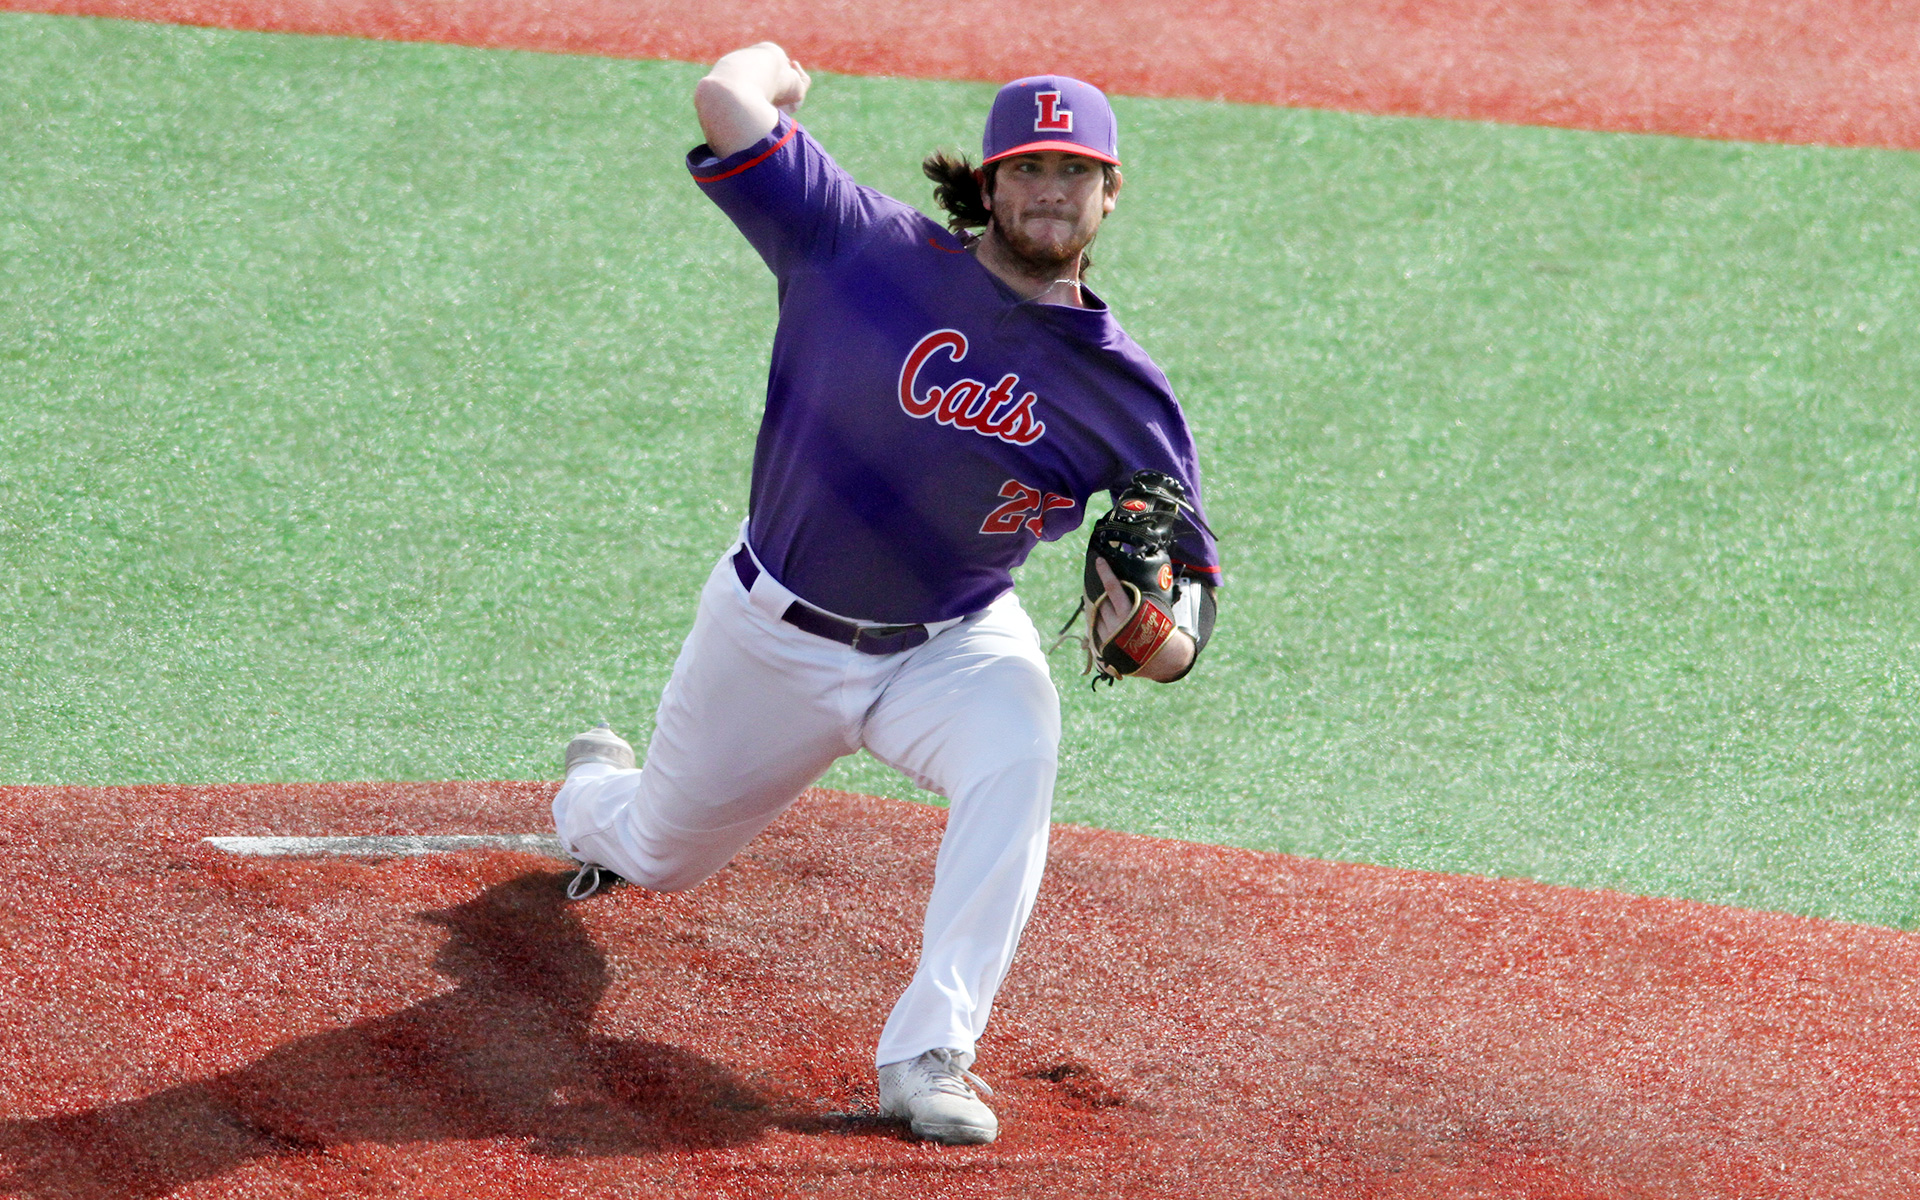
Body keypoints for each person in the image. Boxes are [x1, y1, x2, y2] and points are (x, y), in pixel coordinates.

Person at [551, 43, 1221, 1146]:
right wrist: (785, 72)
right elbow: (725, 98)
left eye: (1075, 172)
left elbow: (1184, 613)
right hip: (774, 631)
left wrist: (1152, 633)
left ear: (1110, 192)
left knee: (1020, 746)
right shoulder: (855, 245)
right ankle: (591, 796)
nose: (1051, 190)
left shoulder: (1123, 391)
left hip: (950, 643)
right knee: (661, 851)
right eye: (1029, 168)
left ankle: (929, 1052)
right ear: (990, 183)